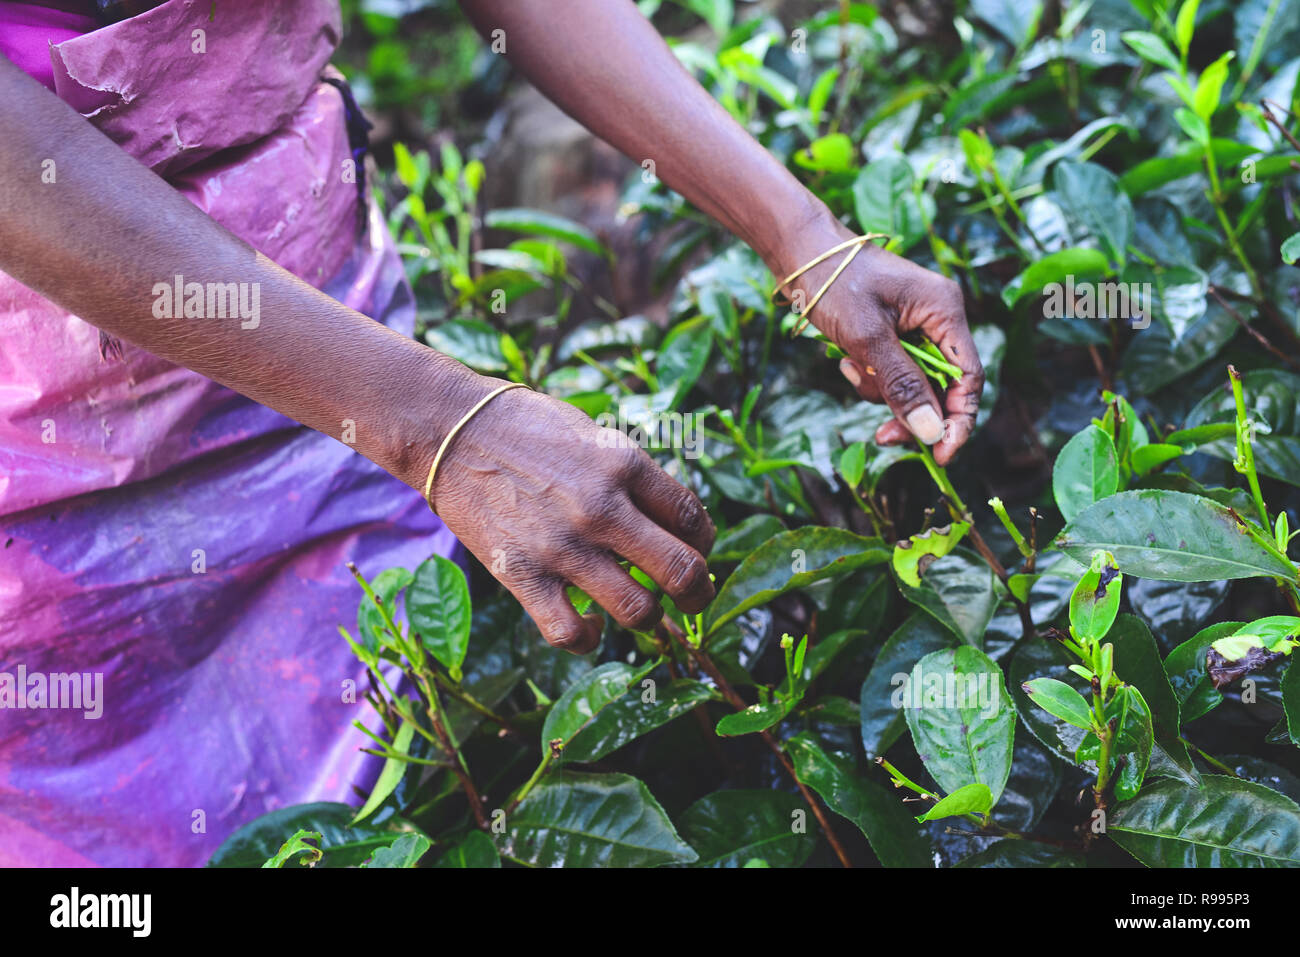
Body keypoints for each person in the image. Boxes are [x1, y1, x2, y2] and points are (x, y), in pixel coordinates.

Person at [0, 0, 983, 866]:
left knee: (402, 780)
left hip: (339, 358)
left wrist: (800, 235)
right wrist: (435, 427)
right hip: (56, 487)